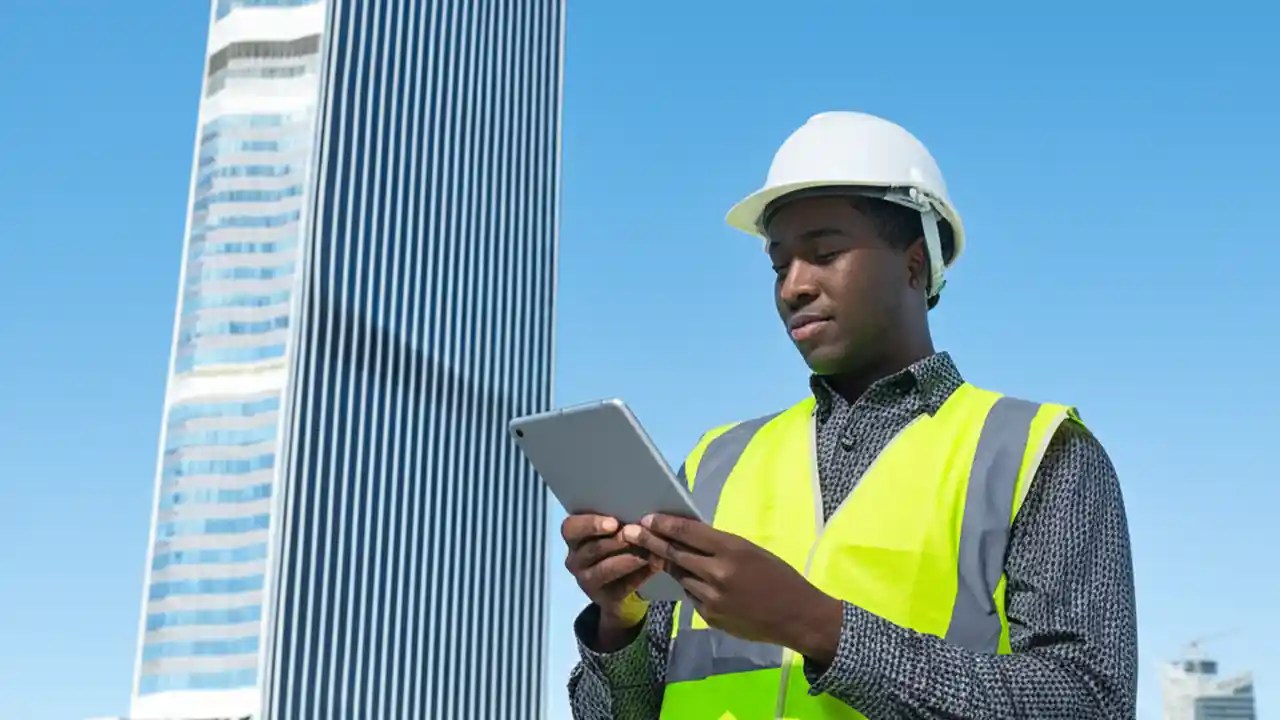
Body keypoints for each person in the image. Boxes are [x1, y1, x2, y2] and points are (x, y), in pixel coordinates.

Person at [562, 111, 1137, 719]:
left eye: (825, 253)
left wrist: (817, 626)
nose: (793, 287)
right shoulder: (714, 462)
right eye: (780, 265)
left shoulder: (1036, 453)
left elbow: (1087, 703)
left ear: (915, 265)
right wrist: (616, 625)